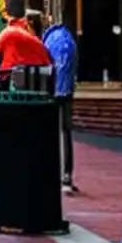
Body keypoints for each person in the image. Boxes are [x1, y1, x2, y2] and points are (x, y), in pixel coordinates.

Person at [0, 0, 52, 103]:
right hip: (36, 80)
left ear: (6, 12)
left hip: (12, 77)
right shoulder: (31, 33)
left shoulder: (7, 34)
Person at [42, 11, 79, 194]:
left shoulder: (48, 41)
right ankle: (66, 175)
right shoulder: (68, 40)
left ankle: (55, 174)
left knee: (52, 132)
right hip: (67, 91)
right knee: (66, 130)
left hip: (52, 91)